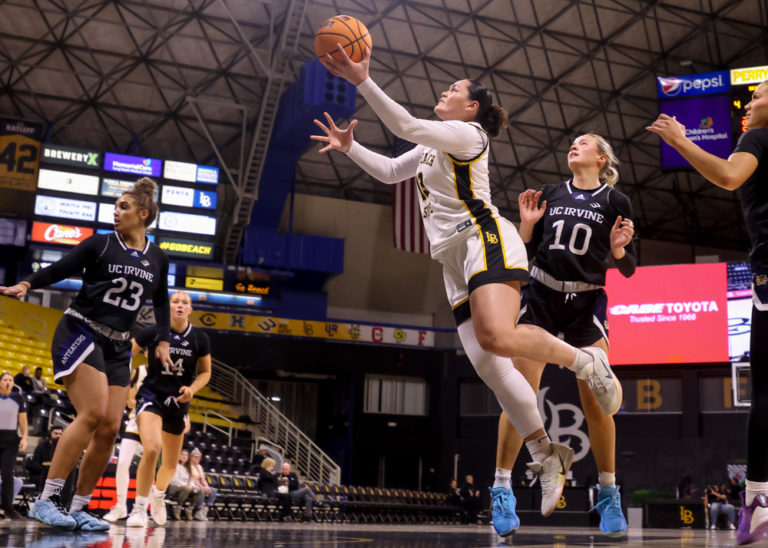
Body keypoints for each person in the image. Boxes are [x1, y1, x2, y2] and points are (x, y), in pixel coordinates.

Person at [313, 45, 619, 519]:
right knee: (492, 369)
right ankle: (546, 453)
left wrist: (362, 80)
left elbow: (405, 125)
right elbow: (392, 171)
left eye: (453, 89)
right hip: (452, 259)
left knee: (497, 337)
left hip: (484, 238)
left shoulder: (468, 134)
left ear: (472, 107)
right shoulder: (432, 147)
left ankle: (585, 362)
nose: (444, 91)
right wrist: (351, 147)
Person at [0, 177, 172, 532]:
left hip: (119, 345)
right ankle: (46, 499)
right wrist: (27, 283)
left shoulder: (157, 257)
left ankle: (79, 507)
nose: (116, 211)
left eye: (123, 207)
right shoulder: (101, 244)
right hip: (81, 330)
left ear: (143, 213)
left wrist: (164, 339)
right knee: (92, 413)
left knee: (109, 428)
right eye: (116, 206)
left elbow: (161, 301)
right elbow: (60, 268)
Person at [491, 134, 636, 536]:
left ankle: (608, 493)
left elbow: (629, 267)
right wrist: (526, 226)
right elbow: (523, 254)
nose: (574, 146)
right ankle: (502, 489)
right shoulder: (551, 193)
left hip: (586, 304)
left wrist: (619, 249)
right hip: (542, 297)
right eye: (572, 143)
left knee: (598, 403)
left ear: (601, 158)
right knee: (519, 394)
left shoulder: (616, 202)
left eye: (583, 143)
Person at [648, 81, 768, 545]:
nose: (748, 104)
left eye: (757, 96)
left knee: (765, 395)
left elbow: (729, 176)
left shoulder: (757, 138)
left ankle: (757, 502)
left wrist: (681, 141)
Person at [125, 291, 211, 527]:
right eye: (175, 301)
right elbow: (125, 354)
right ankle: (139, 510)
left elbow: (205, 372)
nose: (180, 305)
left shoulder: (199, 337)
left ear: (191, 309)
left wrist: (192, 388)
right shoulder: (152, 332)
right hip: (152, 397)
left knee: (171, 465)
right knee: (152, 449)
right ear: (168, 307)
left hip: (178, 403)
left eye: (185, 302)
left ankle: (159, 495)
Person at [103, 364, 146, 522]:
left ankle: (141, 508)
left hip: (156, 422)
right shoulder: (139, 371)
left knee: (148, 467)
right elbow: (130, 401)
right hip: (136, 420)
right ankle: (121, 506)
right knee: (122, 463)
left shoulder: (169, 372)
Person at [0, 371, 27, 519]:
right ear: (0, 382)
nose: (8, 382)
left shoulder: (18, 398)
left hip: (11, 440)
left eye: (10, 380)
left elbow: (23, 421)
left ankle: (8, 508)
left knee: (7, 474)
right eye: (5, 380)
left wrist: (25, 437)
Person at [168, 449, 203, 520]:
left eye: (186, 455)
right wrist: (186, 486)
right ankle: (177, 508)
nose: (184, 456)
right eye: (182, 454)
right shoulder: (175, 466)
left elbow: (190, 480)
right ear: (179, 456)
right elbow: (175, 480)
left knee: (199, 491)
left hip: (184, 486)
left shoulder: (188, 467)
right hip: (174, 485)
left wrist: (193, 486)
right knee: (186, 489)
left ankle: (189, 509)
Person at [188, 448, 216, 521]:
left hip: (200, 485)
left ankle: (205, 510)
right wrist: (203, 488)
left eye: (199, 457)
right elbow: (192, 480)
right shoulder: (188, 466)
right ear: (191, 457)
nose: (197, 459)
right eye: (195, 457)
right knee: (202, 491)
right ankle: (199, 511)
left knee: (213, 490)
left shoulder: (200, 467)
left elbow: (203, 479)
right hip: (192, 485)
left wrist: (207, 487)